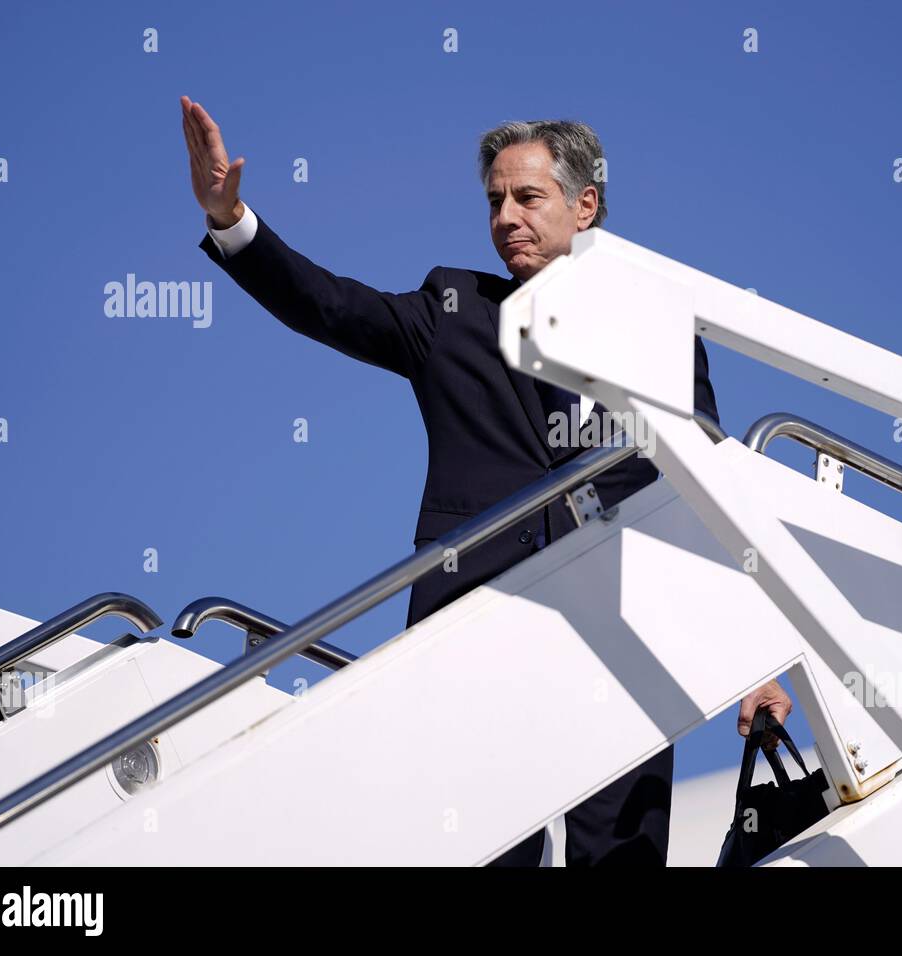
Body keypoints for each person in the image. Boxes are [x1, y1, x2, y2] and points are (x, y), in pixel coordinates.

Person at [180, 97, 793, 865]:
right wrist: (234, 219)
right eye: (495, 200)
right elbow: (331, 304)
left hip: (626, 640)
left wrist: (757, 661)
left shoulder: (659, 332)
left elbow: (707, 498)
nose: (506, 217)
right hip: (475, 629)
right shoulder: (452, 310)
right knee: (473, 846)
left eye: (527, 197)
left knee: (624, 853)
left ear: (585, 204)